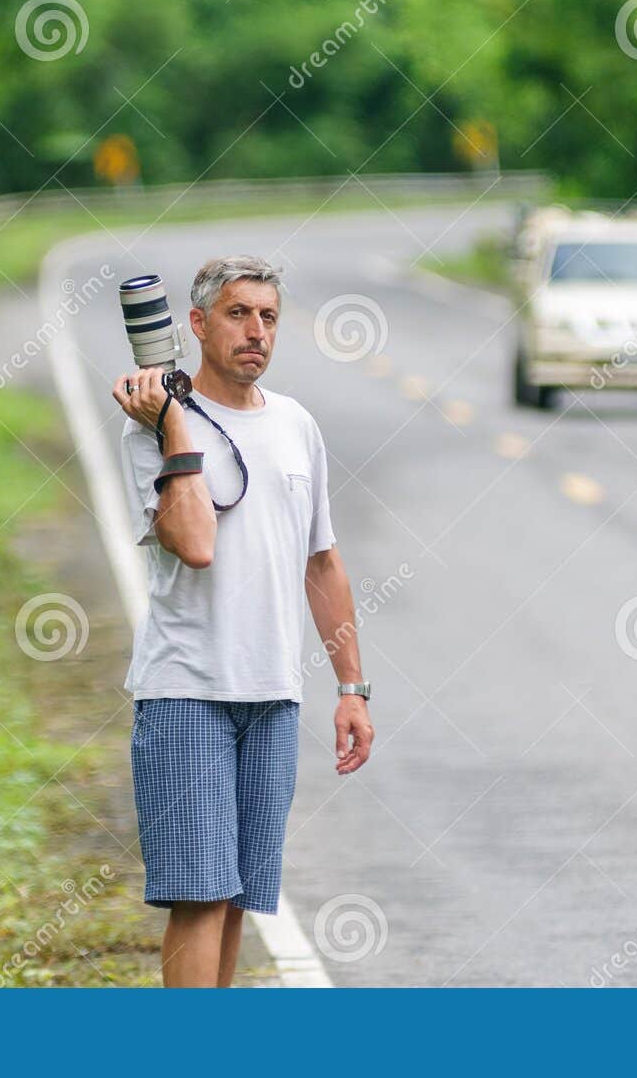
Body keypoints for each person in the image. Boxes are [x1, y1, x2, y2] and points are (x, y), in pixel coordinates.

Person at [110, 255, 375, 988]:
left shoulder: (296, 425)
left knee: (233, 900)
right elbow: (194, 543)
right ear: (196, 324)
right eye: (237, 314)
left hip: (273, 695)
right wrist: (171, 423)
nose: (256, 331)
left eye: (268, 317)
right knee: (197, 896)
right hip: (187, 688)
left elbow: (322, 563)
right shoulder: (149, 429)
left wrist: (353, 687)